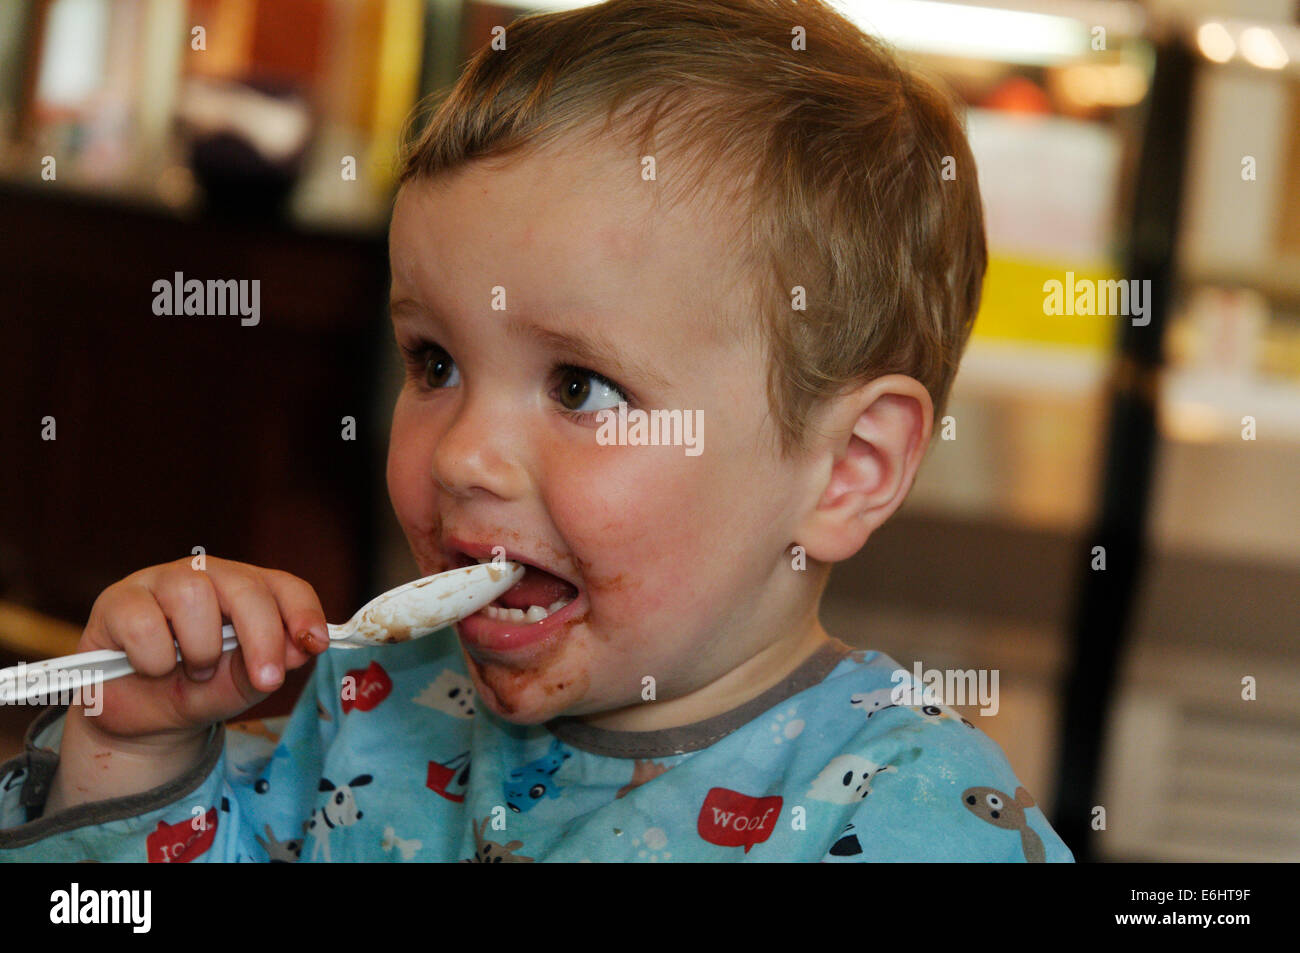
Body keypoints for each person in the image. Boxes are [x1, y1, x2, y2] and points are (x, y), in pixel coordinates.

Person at [0, 0, 1071, 862]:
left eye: (579, 387)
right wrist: (131, 751)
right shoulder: (372, 705)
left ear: (846, 468)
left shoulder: (913, 822)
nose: (462, 454)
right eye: (434, 363)